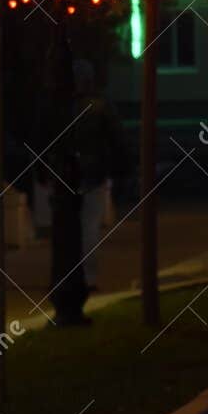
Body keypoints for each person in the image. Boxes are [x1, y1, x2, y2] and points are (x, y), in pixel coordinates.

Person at [70, 58, 125, 291]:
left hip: (68, 173)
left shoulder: (64, 105)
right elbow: (116, 138)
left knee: (70, 226)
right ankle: (89, 278)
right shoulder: (101, 105)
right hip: (94, 172)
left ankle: (69, 277)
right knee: (90, 225)